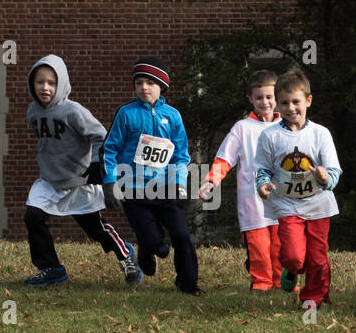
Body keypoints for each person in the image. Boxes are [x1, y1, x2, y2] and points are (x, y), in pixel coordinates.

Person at [22, 54, 142, 287]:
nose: (45, 87)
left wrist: (98, 166)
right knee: (33, 217)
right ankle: (51, 268)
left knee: (95, 229)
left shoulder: (73, 111)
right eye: (39, 82)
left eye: (52, 82)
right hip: (49, 180)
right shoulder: (32, 112)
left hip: (79, 181)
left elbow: (101, 137)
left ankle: (126, 254)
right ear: (31, 84)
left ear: (62, 84)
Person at [102, 57, 200, 294]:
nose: (143, 87)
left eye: (149, 83)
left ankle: (188, 284)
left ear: (162, 87)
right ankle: (149, 248)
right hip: (133, 188)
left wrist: (178, 181)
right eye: (139, 83)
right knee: (154, 240)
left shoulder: (173, 116)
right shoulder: (126, 114)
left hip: (165, 187)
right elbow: (110, 149)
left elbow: (181, 154)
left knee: (181, 236)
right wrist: (110, 182)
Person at [255, 69, 342, 308]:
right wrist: (263, 185)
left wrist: (325, 177)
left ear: (308, 101)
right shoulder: (270, 136)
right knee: (294, 257)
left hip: (318, 203)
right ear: (277, 106)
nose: (291, 108)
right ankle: (292, 269)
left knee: (316, 257)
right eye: (284, 103)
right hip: (287, 203)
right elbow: (262, 169)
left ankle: (312, 298)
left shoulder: (320, 134)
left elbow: (334, 172)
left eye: (296, 102)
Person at [198, 69, 282, 291]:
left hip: (283, 200)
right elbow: (224, 159)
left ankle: (282, 282)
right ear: (250, 98)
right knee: (259, 246)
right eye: (259, 97)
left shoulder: (287, 126)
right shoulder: (242, 128)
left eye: (269, 97)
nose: (264, 102)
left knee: (281, 246)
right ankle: (261, 282)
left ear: (277, 96)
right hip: (252, 202)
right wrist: (211, 181)